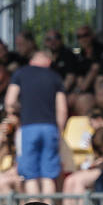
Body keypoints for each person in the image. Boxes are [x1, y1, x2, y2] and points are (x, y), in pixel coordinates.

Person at [7, 50, 68, 195]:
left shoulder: (20, 74)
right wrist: (59, 130)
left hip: (28, 128)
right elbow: (62, 109)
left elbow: (10, 101)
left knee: (30, 177)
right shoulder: (54, 77)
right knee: (48, 177)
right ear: (47, 61)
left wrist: (21, 108)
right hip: (50, 128)